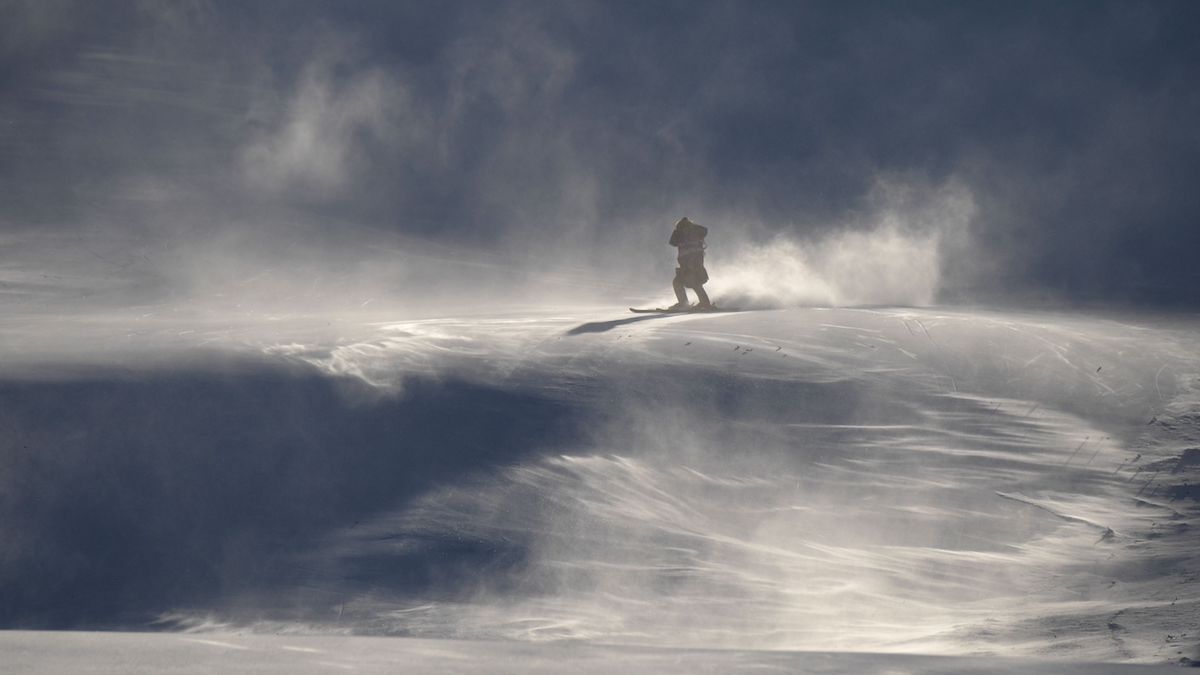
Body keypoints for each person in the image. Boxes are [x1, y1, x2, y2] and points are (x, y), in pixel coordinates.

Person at [668, 217, 712, 310]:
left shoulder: (693, 233)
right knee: (679, 282)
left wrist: (688, 227)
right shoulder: (683, 235)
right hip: (687, 264)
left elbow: (673, 242)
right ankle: (685, 303)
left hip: (694, 263)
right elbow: (672, 242)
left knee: (694, 283)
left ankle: (704, 304)